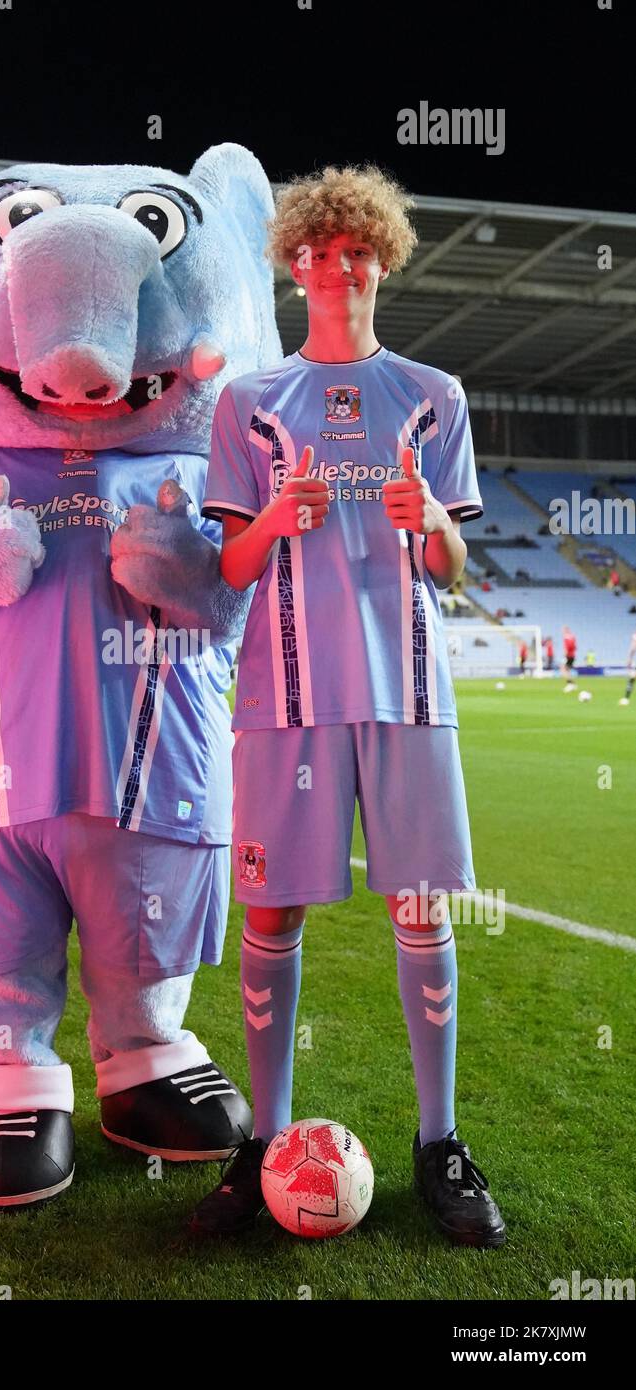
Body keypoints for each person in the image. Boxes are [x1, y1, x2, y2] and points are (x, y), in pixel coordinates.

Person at [190, 164, 505, 1247]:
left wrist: (437, 526)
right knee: (270, 915)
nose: (339, 266)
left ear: (382, 259)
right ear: (295, 265)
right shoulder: (248, 402)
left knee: (421, 911)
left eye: (357, 250)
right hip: (282, 700)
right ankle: (261, 1142)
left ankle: (439, 1144)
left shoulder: (433, 396)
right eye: (320, 252)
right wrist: (275, 515)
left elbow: (450, 568)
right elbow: (227, 569)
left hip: (410, 693)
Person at [562, 624, 577, 691]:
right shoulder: (572, 637)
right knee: (567, 670)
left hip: (568, 656)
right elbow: (575, 647)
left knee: (563, 669)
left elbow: (567, 647)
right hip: (572, 655)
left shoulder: (566, 637)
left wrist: (565, 654)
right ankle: (572, 684)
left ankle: (570, 684)